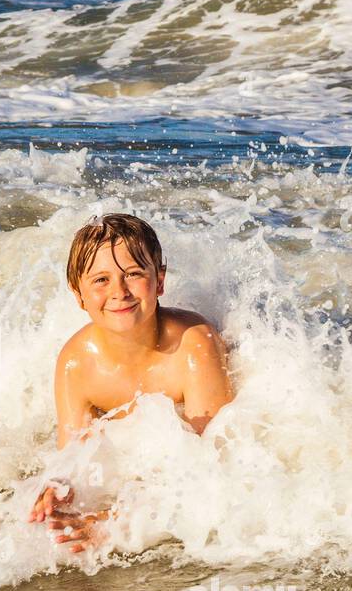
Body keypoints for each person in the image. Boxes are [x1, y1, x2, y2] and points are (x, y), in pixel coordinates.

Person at [28, 213, 234, 552]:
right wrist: (57, 489)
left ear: (160, 281)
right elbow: (73, 455)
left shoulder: (193, 345)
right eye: (101, 280)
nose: (119, 292)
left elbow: (211, 468)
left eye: (134, 274)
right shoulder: (77, 363)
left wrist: (115, 523)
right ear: (78, 294)